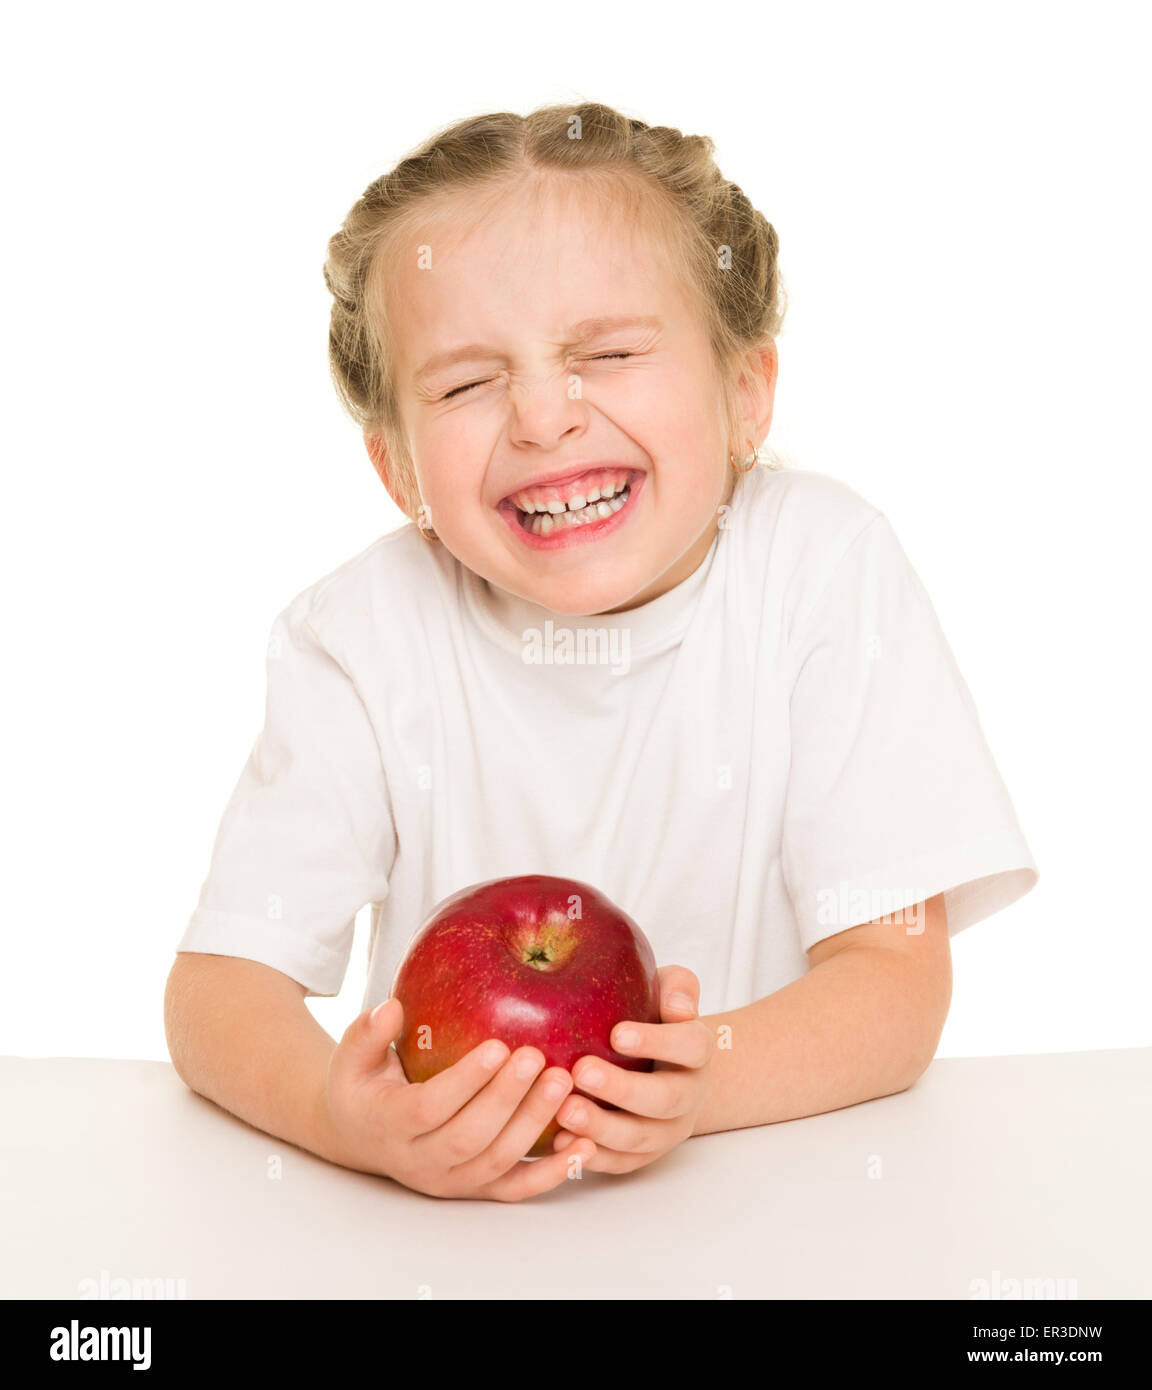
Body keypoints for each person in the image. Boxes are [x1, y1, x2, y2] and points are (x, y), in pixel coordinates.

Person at [165, 102, 1038, 1202]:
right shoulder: (361, 635)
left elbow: (897, 981)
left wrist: (701, 1081)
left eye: (610, 353)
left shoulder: (822, 566)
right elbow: (218, 990)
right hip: (456, 1250)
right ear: (397, 471)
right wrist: (348, 1120)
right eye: (467, 382)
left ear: (744, 395)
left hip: (766, 1216)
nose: (542, 416)